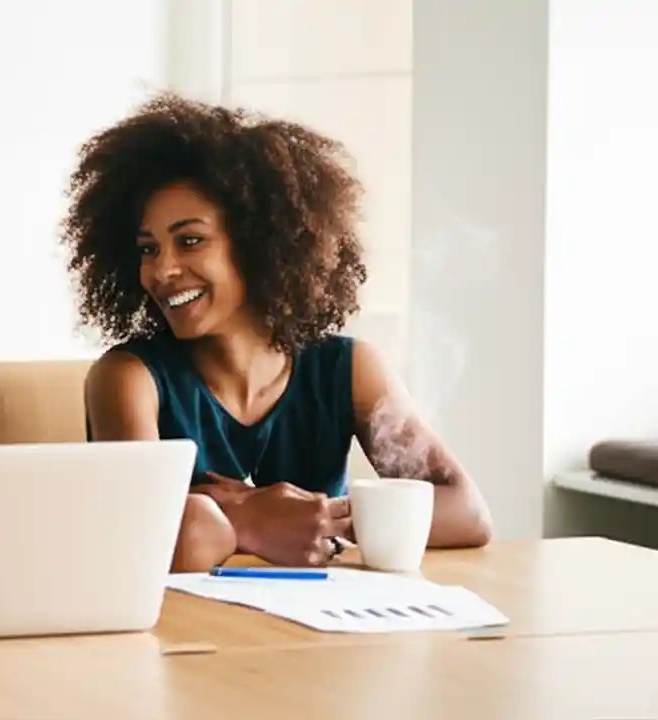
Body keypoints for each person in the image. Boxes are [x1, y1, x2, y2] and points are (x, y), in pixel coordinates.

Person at [61, 94, 493, 573]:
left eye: (190, 241)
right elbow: (138, 534)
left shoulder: (348, 371)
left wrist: (313, 522)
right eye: (147, 249)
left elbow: (466, 512)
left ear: (260, 244)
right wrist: (250, 520)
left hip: (323, 635)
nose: (161, 270)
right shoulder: (129, 379)